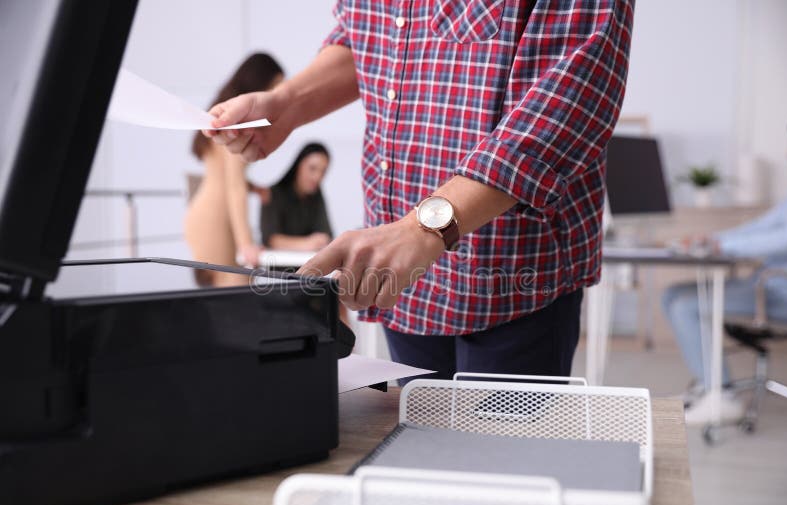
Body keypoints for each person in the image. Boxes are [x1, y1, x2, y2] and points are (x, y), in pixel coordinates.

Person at [204, 2, 634, 380]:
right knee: (417, 456)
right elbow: (366, 38)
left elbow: (572, 93)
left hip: (511, 276)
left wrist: (423, 229)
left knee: (500, 466)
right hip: (406, 283)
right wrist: (288, 103)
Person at [663, 117, 787, 424]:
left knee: (687, 306)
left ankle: (721, 395)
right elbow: (761, 227)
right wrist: (713, 240)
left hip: (786, 293)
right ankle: (708, 385)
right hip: (769, 285)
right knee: (672, 295)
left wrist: (723, 248)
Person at [185, 52, 284, 287]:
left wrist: (253, 187)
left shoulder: (222, 112)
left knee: (225, 295)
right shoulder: (236, 121)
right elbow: (233, 185)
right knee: (231, 292)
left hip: (205, 213)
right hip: (215, 219)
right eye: (274, 89)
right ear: (259, 86)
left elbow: (224, 176)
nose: (276, 98)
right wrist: (246, 244)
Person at [260, 142, 333, 251]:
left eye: (323, 171)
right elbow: (271, 239)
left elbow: (325, 235)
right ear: (298, 165)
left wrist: (321, 240)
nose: (317, 177)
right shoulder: (274, 193)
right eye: (312, 168)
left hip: (306, 264)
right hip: (279, 265)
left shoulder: (316, 194)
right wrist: (307, 243)